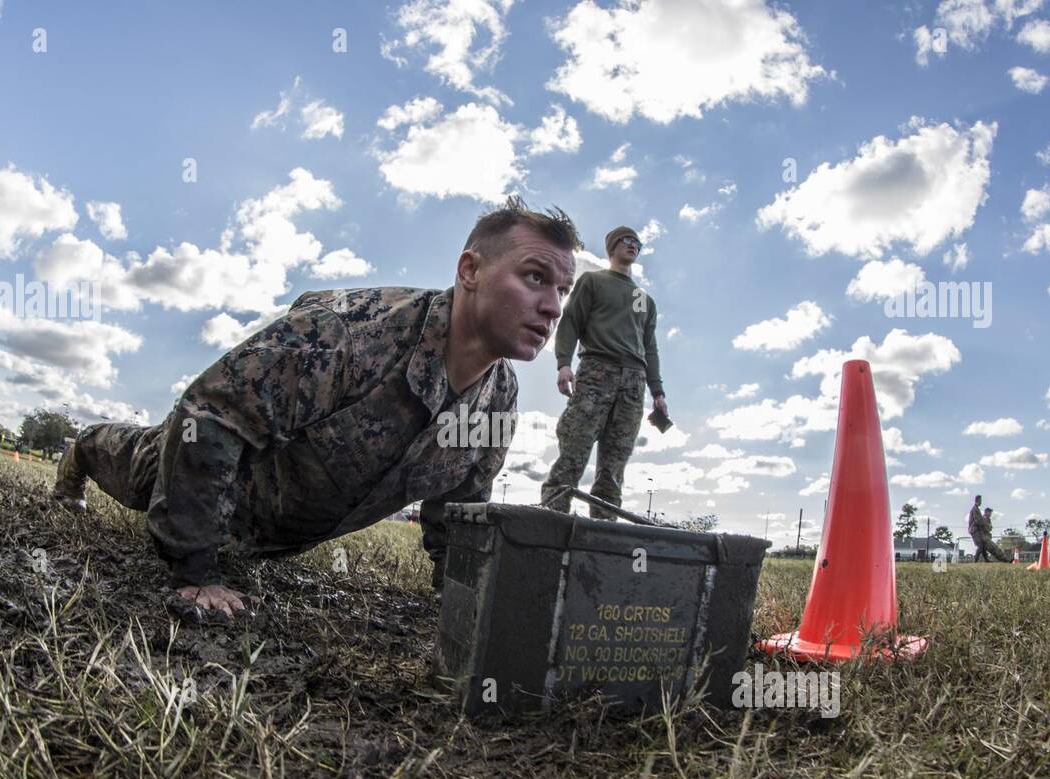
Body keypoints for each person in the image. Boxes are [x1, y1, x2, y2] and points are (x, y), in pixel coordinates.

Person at [52, 197, 582, 618]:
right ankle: (79, 454)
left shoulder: (498, 401)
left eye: (562, 289)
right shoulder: (351, 332)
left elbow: (460, 509)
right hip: (202, 479)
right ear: (470, 269)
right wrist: (196, 572)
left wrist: (460, 601)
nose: (553, 306)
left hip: (285, 529)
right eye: (534, 277)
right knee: (129, 460)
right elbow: (210, 415)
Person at [539, 225, 667, 519]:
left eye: (637, 242)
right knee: (574, 449)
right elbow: (570, 322)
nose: (633, 244)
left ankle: (602, 532)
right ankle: (550, 523)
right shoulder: (593, 281)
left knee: (614, 464)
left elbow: (650, 348)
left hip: (633, 383)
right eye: (627, 240)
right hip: (597, 371)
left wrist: (658, 392)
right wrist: (563, 364)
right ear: (612, 247)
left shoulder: (644, 300)